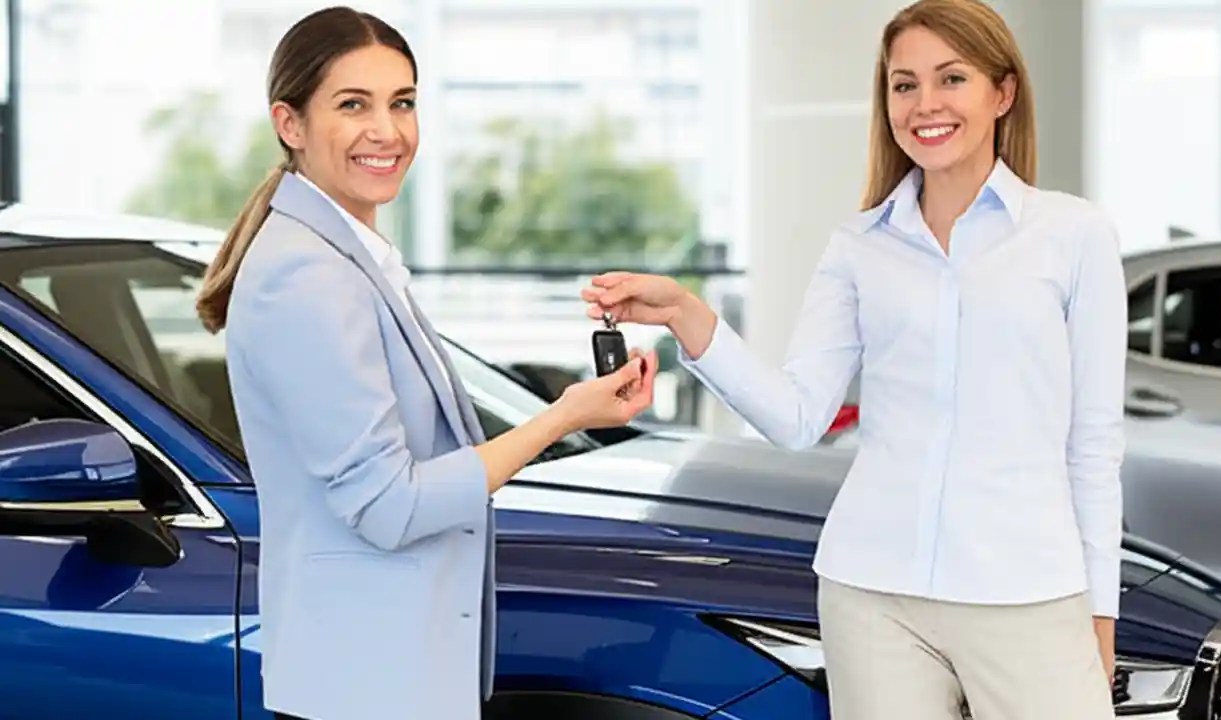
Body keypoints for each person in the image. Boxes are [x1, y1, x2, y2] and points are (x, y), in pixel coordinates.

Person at [581, 0, 1124, 718]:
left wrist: (1101, 610)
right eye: (904, 85)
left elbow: (1093, 445)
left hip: (1026, 590)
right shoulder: (859, 247)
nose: (925, 105)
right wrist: (687, 314)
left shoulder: (1074, 235)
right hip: (873, 595)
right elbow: (797, 415)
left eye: (951, 78)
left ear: (1003, 93)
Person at [195, 8, 657, 720]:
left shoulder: (349, 258)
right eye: (354, 105)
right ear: (290, 124)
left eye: (403, 103)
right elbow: (391, 506)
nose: (388, 131)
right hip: (364, 689)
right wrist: (563, 419)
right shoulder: (307, 276)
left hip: (390, 680)